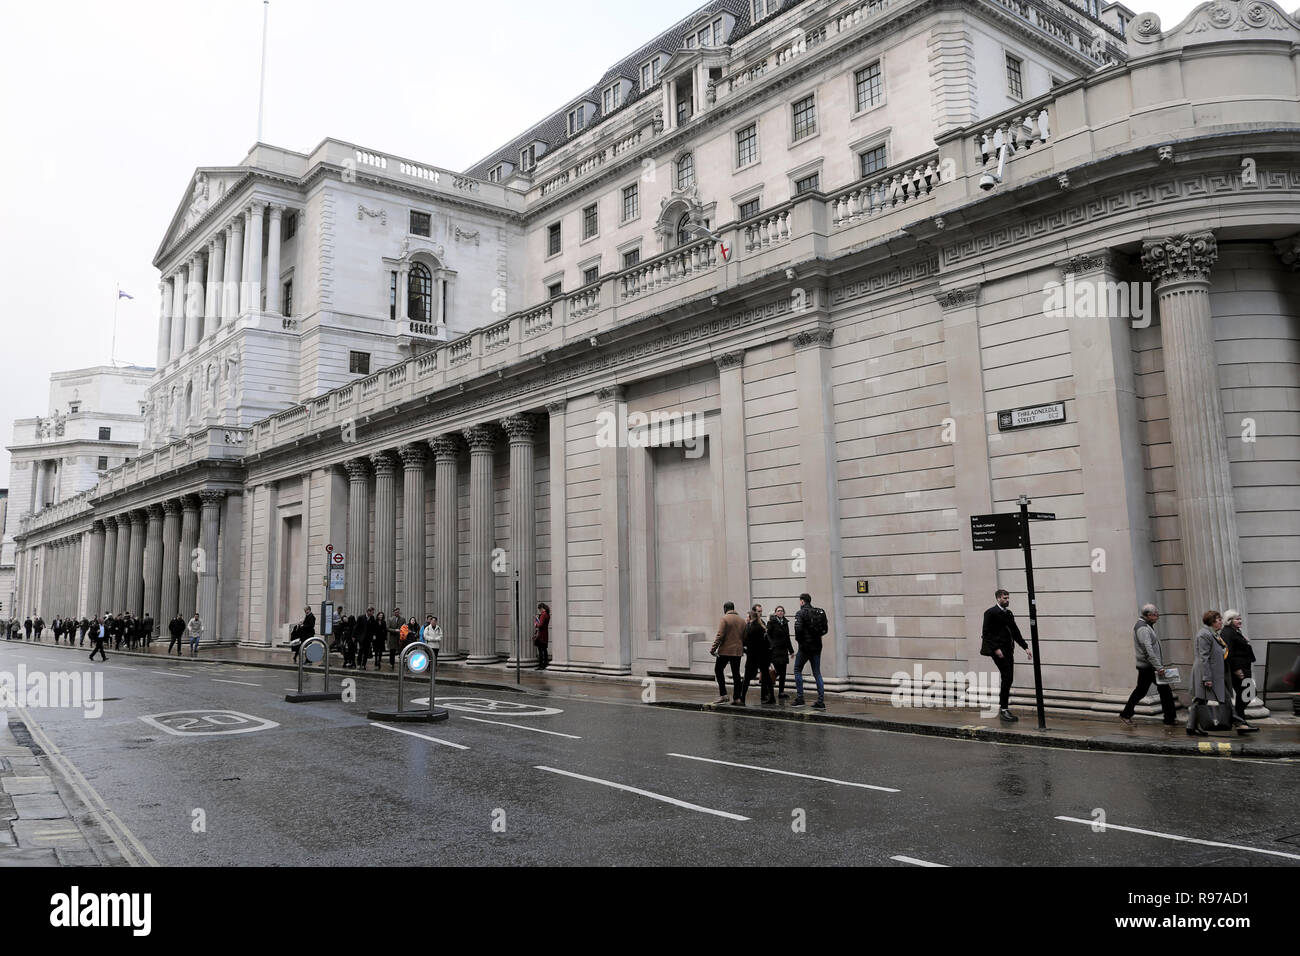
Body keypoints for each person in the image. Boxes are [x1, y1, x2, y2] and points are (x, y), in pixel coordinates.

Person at [1119, 604, 1178, 727]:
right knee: (1164, 690)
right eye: (1156, 614)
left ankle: (1126, 714)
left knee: (1142, 691)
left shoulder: (1146, 626)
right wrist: (1159, 667)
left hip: (1148, 666)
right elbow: (1148, 650)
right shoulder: (1143, 628)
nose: (1158, 617)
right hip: (1149, 667)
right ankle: (1169, 719)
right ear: (1148, 615)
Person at [980, 588, 1030, 722]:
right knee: (1007, 676)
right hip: (998, 651)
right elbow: (986, 633)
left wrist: (1025, 647)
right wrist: (996, 649)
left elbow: (1015, 631)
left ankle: (1004, 708)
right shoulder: (990, 613)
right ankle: (1004, 709)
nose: (1007, 600)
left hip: (1009, 650)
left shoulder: (1008, 613)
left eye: (1008, 598)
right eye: (1004, 598)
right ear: (998, 598)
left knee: (1008, 678)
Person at [1187, 610, 1229, 737]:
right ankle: (1192, 726)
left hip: (1209, 672)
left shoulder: (1213, 634)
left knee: (1200, 700)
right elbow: (1203, 657)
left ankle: (1191, 726)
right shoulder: (1204, 634)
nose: (1221, 621)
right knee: (1200, 700)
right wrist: (1207, 678)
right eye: (1219, 619)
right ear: (1212, 621)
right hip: (1204, 672)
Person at [1221, 610, 1259, 734]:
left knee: (1247, 694)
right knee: (1248, 693)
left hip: (1244, 667)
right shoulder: (1227, 632)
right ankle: (1239, 722)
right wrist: (1236, 669)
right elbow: (1228, 653)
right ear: (1229, 620)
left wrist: (1245, 641)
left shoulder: (1235, 631)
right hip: (1239, 670)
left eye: (1240, 618)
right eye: (1237, 619)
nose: (1240, 621)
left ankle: (1240, 722)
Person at [792, 593, 827, 709]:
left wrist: (800, 642)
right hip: (817, 646)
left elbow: (798, 629)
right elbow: (825, 629)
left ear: (802, 601)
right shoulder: (819, 612)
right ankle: (821, 701)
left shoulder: (800, 613)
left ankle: (800, 698)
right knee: (817, 673)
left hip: (805, 648)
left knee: (797, 670)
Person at [711, 601, 745, 704]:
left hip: (725, 650)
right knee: (736, 675)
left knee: (718, 670)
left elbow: (720, 635)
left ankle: (724, 695)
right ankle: (737, 698)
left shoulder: (724, 618)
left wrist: (713, 648)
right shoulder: (742, 620)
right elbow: (744, 637)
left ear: (725, 609)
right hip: (737, 651)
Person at [738, 605, 772, 706]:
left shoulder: (752, 627)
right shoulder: (760, 626)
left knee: (747, 678)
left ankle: (742, 698)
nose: (746, 618)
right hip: (762, 656)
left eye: (747, 617)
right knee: (766, 676)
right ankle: (772, 697)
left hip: (754, 657)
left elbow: (747, 641)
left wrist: (744, 648)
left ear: (750, 617)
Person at [767, 605, 793, 701]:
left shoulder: (785, 623)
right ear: (775, 612)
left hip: (784, 651)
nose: (780, 612)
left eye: (782, 611)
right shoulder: (771, 622)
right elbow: (768, 635)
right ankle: (770, 692)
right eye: (778, 611)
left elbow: (788, 638)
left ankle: (781, 692)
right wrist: (772, 645)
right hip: (775, 651)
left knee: (783, 673)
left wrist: (791, 651)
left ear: (784, 612)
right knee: (776, 672)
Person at [534, 602, 551, 669]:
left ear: (541, 608)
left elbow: (540, 625)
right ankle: (545, 663)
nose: (539, 611)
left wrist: (536, 624)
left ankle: (541, 665)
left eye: (539, 609)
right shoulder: (547, 614)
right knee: (544, 650)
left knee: (540, 650)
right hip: (545, 634)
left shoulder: (543, 615)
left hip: (541, 635)